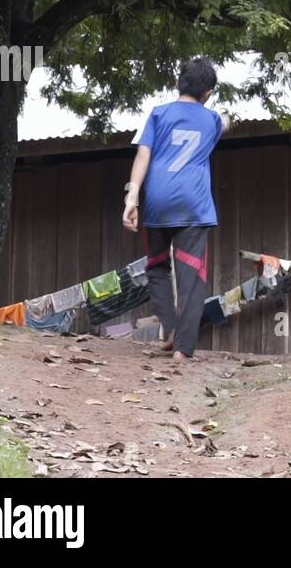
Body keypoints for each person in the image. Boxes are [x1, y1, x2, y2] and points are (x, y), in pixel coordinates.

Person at [122, 58, 229, 362]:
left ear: (176, 84)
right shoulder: (211, 121)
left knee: (156, 267)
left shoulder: (158, 114)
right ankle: (183, 348)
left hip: (157, 202)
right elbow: (225, 121)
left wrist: (132, 198)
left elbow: (143, 155)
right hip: (194, 207)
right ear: (208, 93)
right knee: (191, 277)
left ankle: (169, 328)